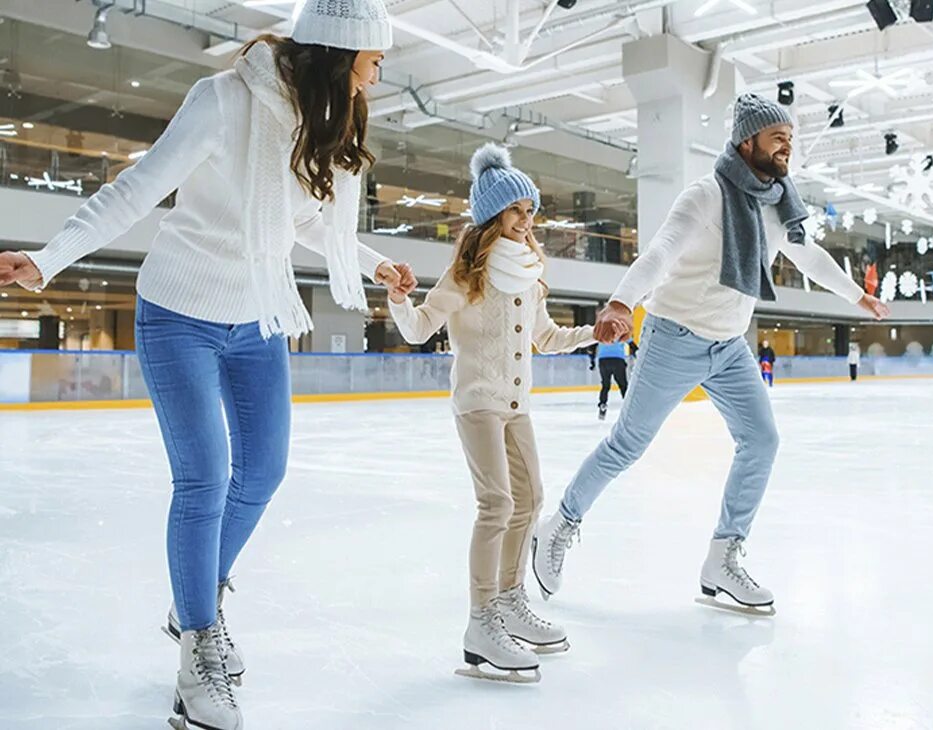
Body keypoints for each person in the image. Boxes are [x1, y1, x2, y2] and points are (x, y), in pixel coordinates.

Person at [0, 2, 398, 727]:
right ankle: (198, 647)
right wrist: (50, 256)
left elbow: (303, 219)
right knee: (205, 480)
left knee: (265, 472)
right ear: (342, 55)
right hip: (179, 314)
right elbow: (138, 188)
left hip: (259, 319)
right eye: (374, 62)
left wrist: (376, 265)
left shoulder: (314, 121)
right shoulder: (222, 101)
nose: (377, 77)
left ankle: (195, 603)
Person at [532, 93, 889, 615]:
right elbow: (660, 252)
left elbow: (806, 253)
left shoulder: (777, 201)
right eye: (777, 137)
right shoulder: (705, 197)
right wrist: (621, 303)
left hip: (729, 346)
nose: (787, 145)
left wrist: (856, 295)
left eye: (790, 137)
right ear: (748, 142)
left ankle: (722, 558)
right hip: (673, 337)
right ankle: (558, 524)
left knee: (762, 440)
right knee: (627, 445)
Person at [387, 144, 595, 683]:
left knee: (530, 499)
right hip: (478, 402)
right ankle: (481, 621)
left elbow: (545, 337)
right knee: (497, 503)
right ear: (491, 216)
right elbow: (417, 329)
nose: (528, 221)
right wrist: (398, 298)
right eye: (518, 211)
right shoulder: (465, 277)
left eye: (531, 211)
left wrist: (594, 332)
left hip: (517, 406)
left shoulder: (527, 272)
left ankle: (508, 601)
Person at [596, 337, 634, 420]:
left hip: (603, 360)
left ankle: (603, 404)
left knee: (605, 385)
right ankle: (628, 408)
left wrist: (592, 359)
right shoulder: (622, 331)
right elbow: (632, 345)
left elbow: (591, 345)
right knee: (623, 386)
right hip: (618, 360)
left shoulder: (602, 329)